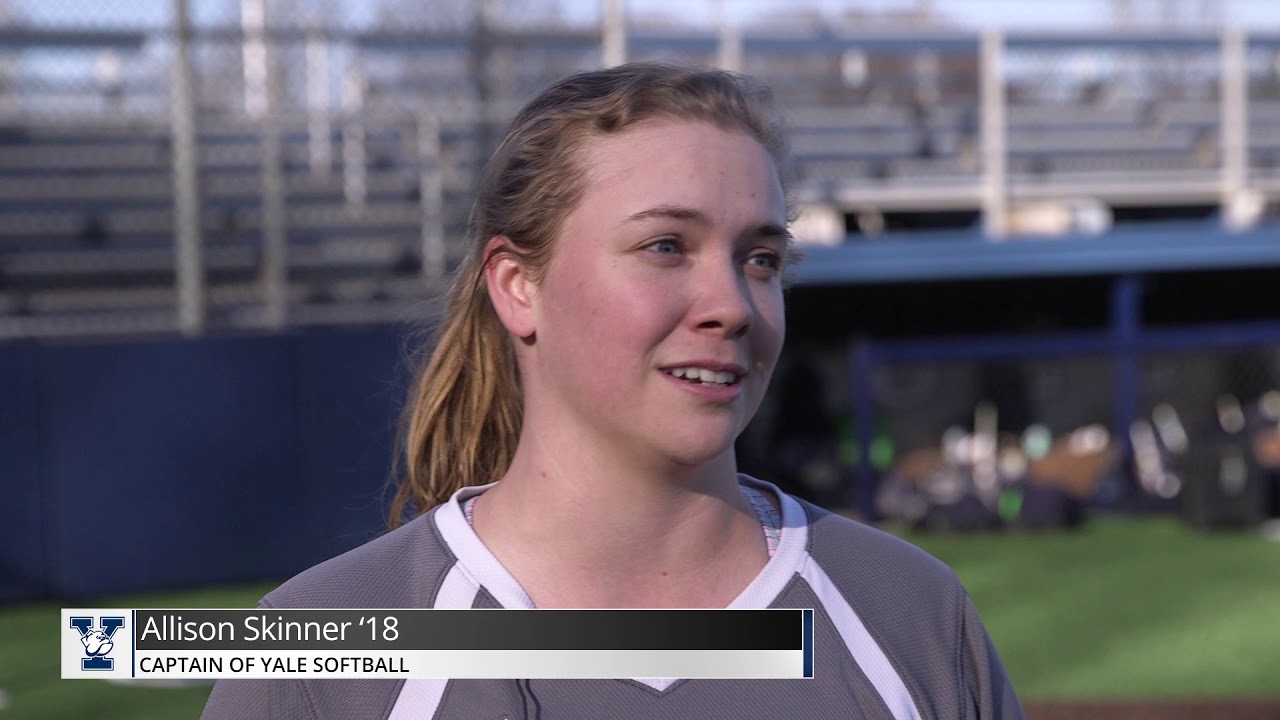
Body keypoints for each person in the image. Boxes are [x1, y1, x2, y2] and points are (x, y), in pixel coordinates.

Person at [203, 62, 1024, 720]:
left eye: (761, 259)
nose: (732, 307)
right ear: (519, 286)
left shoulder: (908, 617)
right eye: (667, 246)